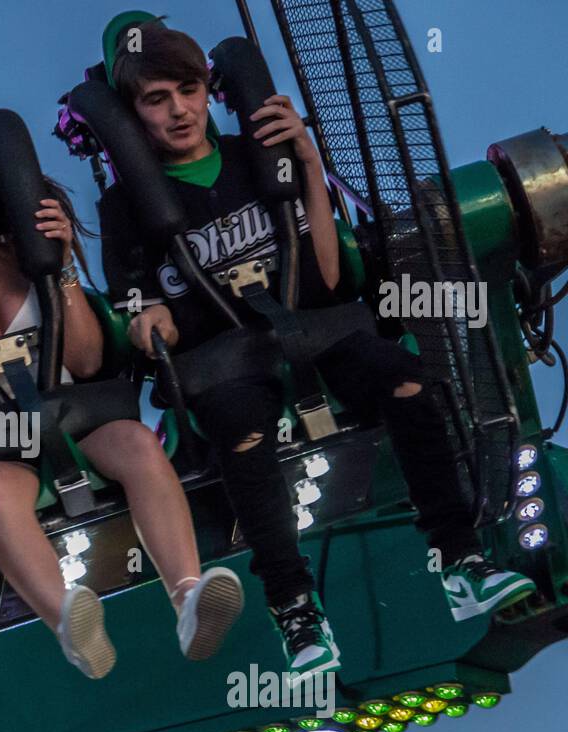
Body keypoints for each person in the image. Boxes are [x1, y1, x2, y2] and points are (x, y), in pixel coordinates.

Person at [96, 19, 536, 686]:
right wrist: (148, 318)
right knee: (243, 436)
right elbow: (135, 311)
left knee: (407, 380)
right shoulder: (124, 206)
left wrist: (305, 163)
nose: (178, 110)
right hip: (225, 357)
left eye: (187, 90)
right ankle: (295, 608)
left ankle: (459, 559)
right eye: (157, 99)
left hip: (311, 324)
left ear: (209, 91)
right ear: (134, 115)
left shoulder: (258, 158)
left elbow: (328, 276)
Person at [0, 121, 245, 680]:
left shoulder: (29, 251)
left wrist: (64, 265)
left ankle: (189, 597)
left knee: (139, 445)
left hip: (66, 407)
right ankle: (67, 620)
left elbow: (90, 363)